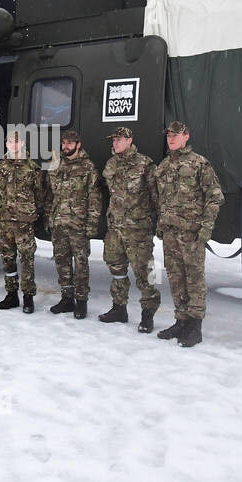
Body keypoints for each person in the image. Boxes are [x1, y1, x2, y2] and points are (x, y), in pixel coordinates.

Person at [152, 121, 223, 348]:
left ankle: (195, 327)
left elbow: (215, 196)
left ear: (186, 136)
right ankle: (181, 320)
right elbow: (159, 199)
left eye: (176, 135)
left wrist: (205, 228)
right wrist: (161, 224)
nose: (171, 139)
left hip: (191, 233)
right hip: (170, 233)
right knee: (175, 277)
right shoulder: (163, 166)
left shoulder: (199, 163)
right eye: (169, 135)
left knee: (194, 279)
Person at [99, 126, 162, 333]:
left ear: (130, 140)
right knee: (116, 268)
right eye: (113, 140)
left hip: (138, 230)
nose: (115, 143)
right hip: (115, 229)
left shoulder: (145, 164)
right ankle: (119, 308)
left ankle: (148, 314)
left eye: (119, 139)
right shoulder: (111, 164)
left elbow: (156, 198)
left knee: (147, 272)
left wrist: (150, 221)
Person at [43, 128, 102, 319]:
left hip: (78, 225)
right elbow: (49, 195)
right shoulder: (55, 163)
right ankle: (67, 299)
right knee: (62, 263)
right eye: (63, 143)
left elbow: (95, 198)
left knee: (81, 265)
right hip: (59, 223)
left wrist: (92, 224)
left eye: (69, 143)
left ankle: (81, 302)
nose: (65, 146)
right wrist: (48, 217)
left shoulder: (88, 167)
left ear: (78, 145)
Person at [0, 127, 44, 313]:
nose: (13, 145)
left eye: (16, 141)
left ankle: (28, 297)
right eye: (9, 142)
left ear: (22, 143)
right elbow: (0, 189)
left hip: (24, 221)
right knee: (7, 258)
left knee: (27, 259)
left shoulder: (32, 168)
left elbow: (39, 195)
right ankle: (11, 294)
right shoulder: (1, 167)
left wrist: (28, 210)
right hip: (6, 219)